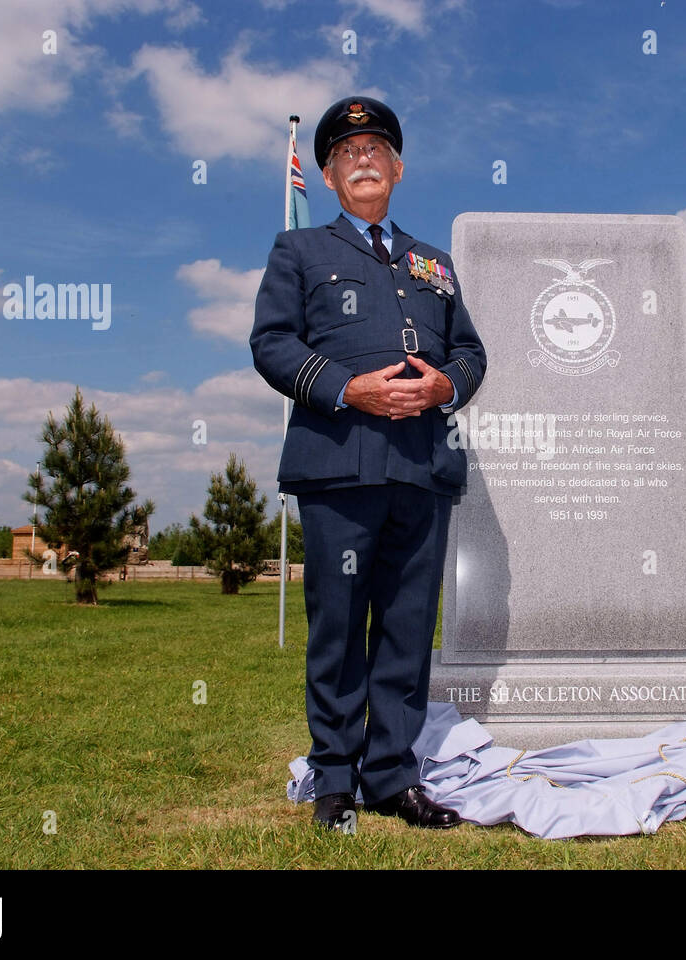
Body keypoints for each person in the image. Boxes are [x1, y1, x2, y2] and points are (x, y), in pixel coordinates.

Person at [250, 96, 487, 832]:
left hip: (422, 467)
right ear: (327, 175)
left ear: (398, 169)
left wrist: (448, 384)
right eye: (348, 153)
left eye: (376, 149)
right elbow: (272, 344)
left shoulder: (433, 261)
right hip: (338, 465)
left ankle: (391, 775)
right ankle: (333, 778)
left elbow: (471, 353)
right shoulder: (300, 252)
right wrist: (347, 388)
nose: (364, 160)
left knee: (408, 629)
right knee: (338, 625)